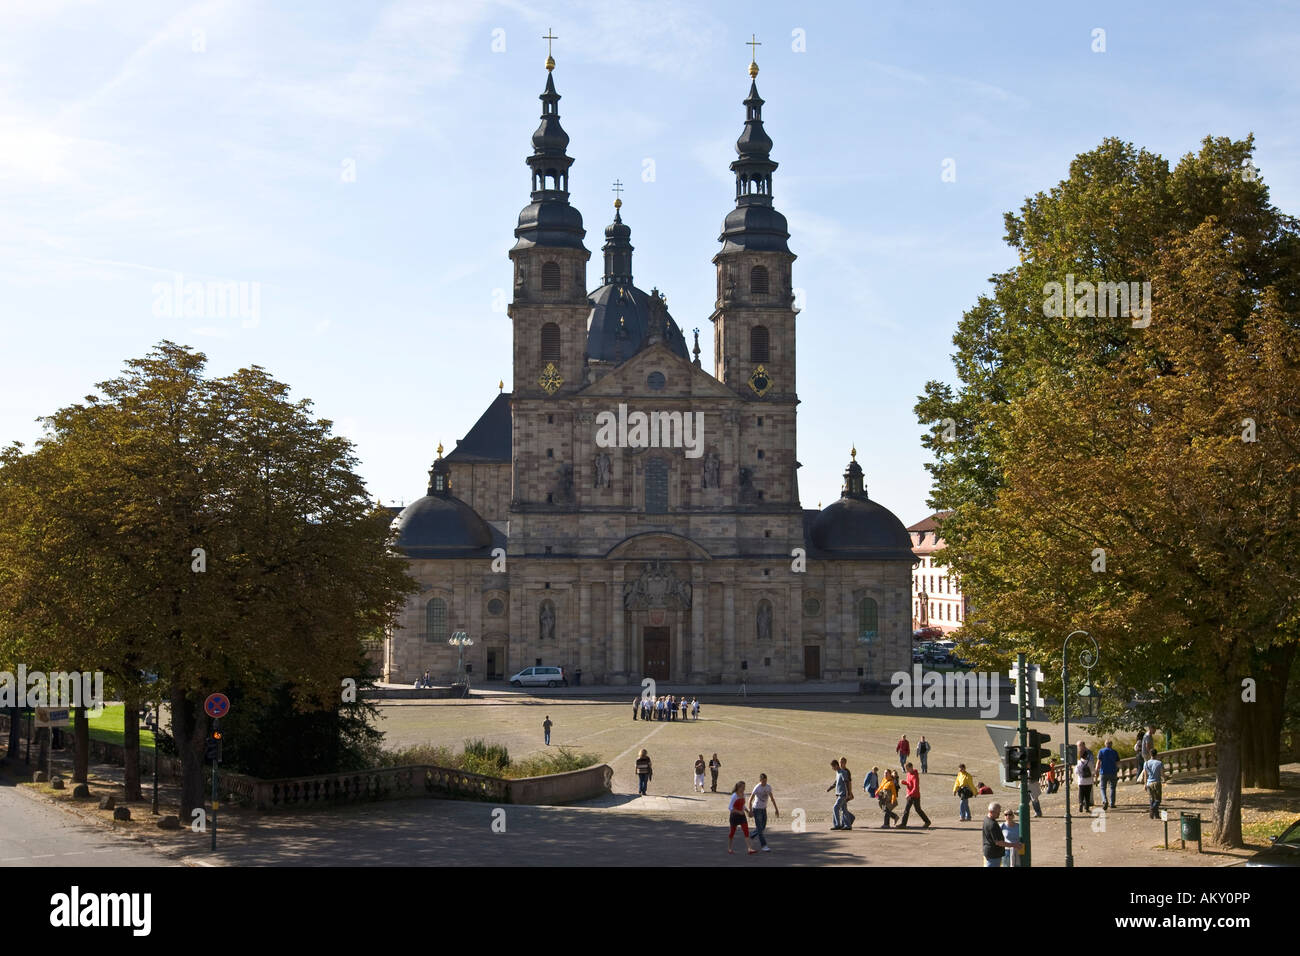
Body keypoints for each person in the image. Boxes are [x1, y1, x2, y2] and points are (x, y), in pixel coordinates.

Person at [748, 772, 779, 852]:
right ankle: (764, 846)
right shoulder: (757, 788)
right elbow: (750, 800)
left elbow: (772, 798)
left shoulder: (768, 787)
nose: (765, 783)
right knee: (760, 828)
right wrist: (750, 811)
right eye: (763, 781)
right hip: (757, 809)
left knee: (763, 827)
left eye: (766, 781)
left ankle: (751, 835)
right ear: (760, 780)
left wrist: (776, 809)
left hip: (764, 809)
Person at [982, 802, 1019, 866]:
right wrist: (1014, 845)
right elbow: (999, 842)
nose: (999, 814)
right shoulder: (992, 824)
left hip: (991, 853)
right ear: (991, 812)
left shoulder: (987, 819)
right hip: (993, 855)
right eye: (998, 812)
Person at [899, 762, 932, 828]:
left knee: (918, 810)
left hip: (915, 796)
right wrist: (904, 782)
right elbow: (909, 783)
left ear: (911, 767)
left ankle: (927, 822)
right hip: (910, 795)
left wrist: (909, 794)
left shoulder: (915, 775)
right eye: (906, 769)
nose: (907, 770)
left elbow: (915, 787)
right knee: (907, 809)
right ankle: (903, 824)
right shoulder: (908, 774)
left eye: (907, 768)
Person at [727, 781, 757, 855]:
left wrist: (747, 811)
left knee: (746, 831)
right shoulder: (734, 796)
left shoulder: (743, 795)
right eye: (742, 787)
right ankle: (729, 848)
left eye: (744, 787)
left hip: (742, 816)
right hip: (734, 816)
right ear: (738, 787)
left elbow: (743, 805)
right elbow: (730, 807)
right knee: (732, 833)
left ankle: (749, 848)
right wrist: (738, 811)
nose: (744, 789)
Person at [1141, 748, 1165, 818]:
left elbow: (1145, 775)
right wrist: (1165, 778)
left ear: (1150, 754)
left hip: (1149, 783)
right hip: (1157, 782)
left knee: (1152, 799)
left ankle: (1156, 815)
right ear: (1156, 754)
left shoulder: (1146, 763)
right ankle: (1152, 809)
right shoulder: (1159, 763)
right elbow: (1162, 774)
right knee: (1158, 800)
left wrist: (1145, 784)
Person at [1097, 738, 1120, 810]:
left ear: (1105, 744)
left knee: (1103, 788)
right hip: (1113, 772)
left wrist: (1096, 770)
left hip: (1103, 772)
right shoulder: (1115, 752)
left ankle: (1104, 800)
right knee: (1113, 788)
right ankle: (1112, 803)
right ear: (1111, 745)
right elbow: (1117, 762)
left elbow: (1099, 761)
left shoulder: (1101, 751)